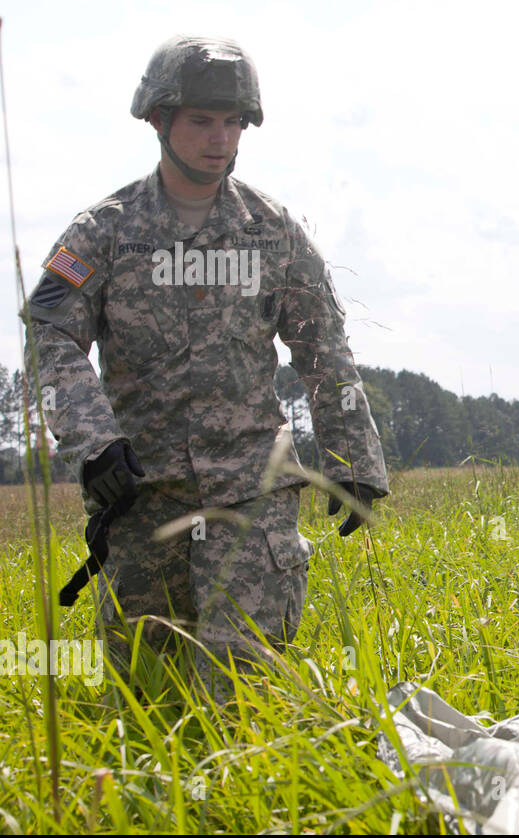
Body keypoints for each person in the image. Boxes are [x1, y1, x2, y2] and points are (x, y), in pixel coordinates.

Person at [22, 35, 389, 698]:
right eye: (200, 121)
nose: (219, 138)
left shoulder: (275, 231)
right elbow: (49, 334)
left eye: (232, 123)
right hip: (141, 497)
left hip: (251, 491)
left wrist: (354, 460)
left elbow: (323, 348)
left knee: (238, 695)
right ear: (159, 121)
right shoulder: (97, 234)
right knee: (143, 697)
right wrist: (93, 442)